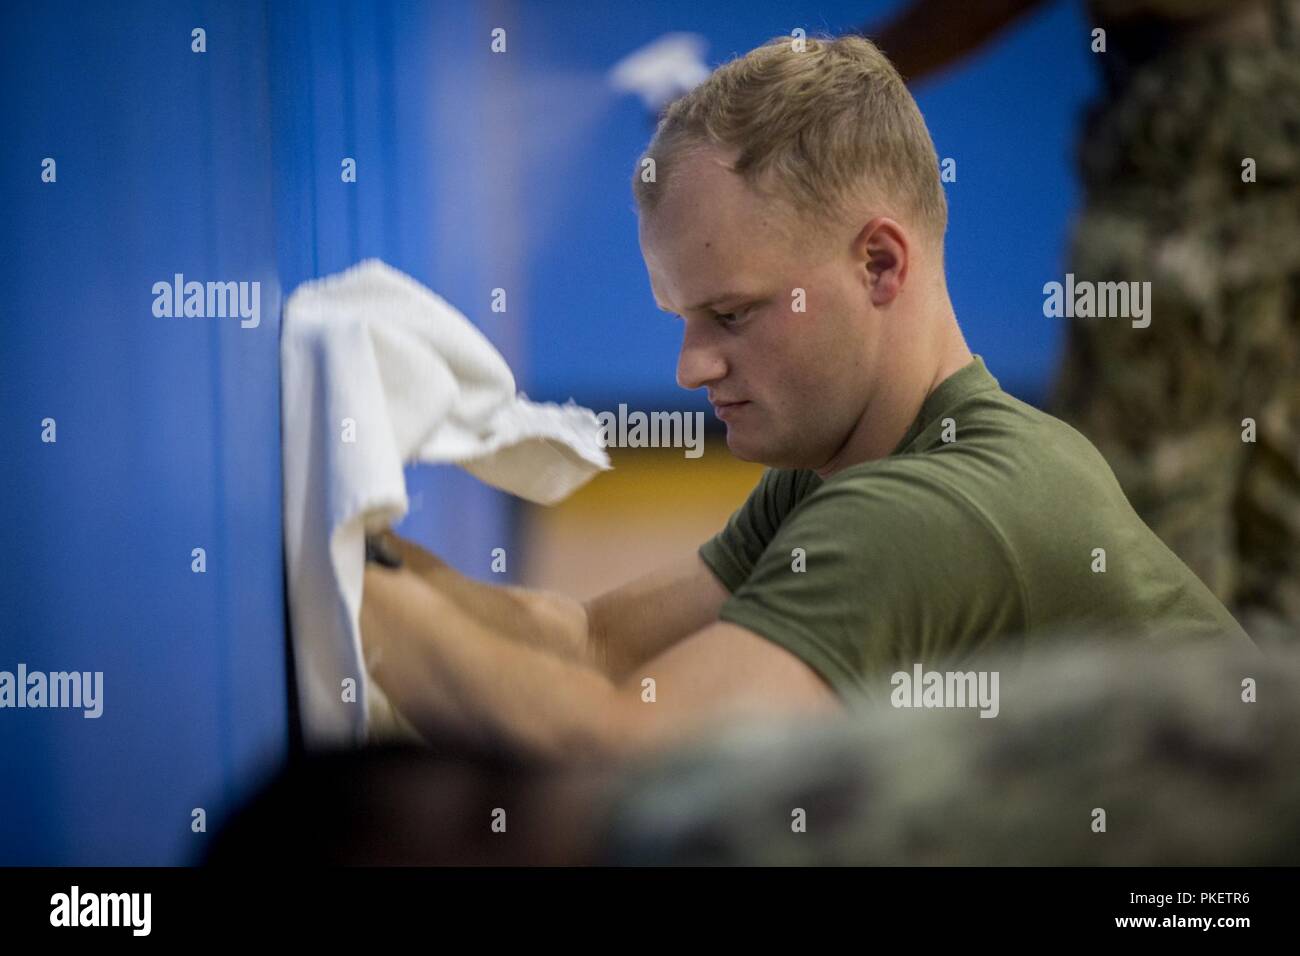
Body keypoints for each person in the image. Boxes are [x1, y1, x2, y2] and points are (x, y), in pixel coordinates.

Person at [358, 34, 1252, 767]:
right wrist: (369, 555)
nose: (690, 367)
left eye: (731, 313)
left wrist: (343, 593)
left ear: (880, 265)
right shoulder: (859, 460)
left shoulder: (938, 508)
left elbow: (626, 754)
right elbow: (595, 644)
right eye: (682, 318)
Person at [859, 0, 1300, 648]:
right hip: (1259, 147)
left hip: (1199, 159)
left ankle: (1158, 741)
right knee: (1280, 544)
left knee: (1122, 555)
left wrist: (847, 72)